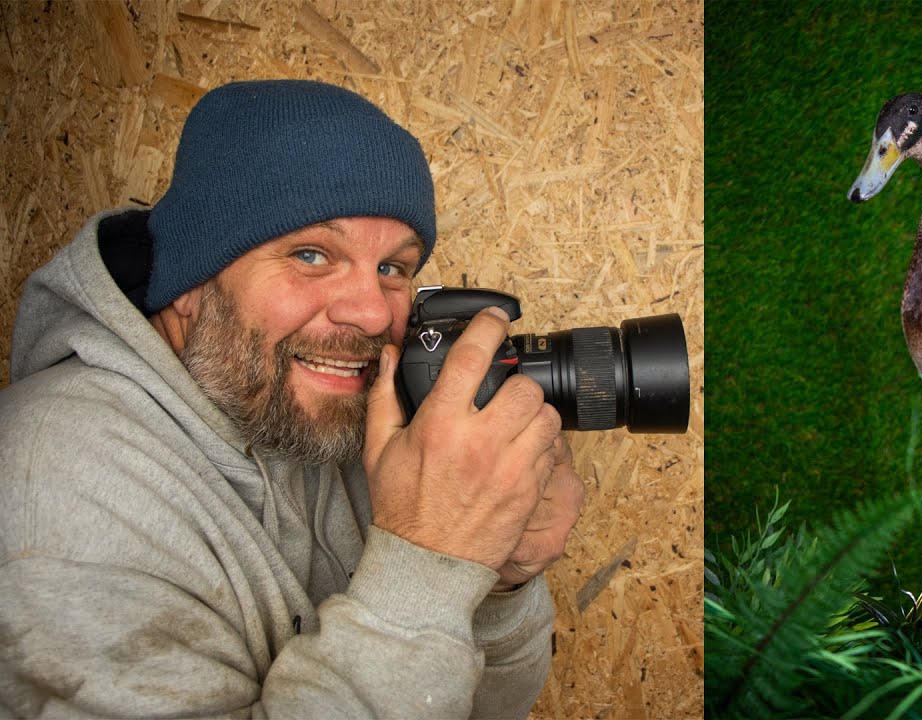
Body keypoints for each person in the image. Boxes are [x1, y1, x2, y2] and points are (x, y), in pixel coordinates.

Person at [0, 79, 585, 717]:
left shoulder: (333, 421)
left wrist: (493, 581)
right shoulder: (60, 490)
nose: (369, 313)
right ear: (192, 280)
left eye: (393, 268)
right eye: (311, 254)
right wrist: (427, 567)